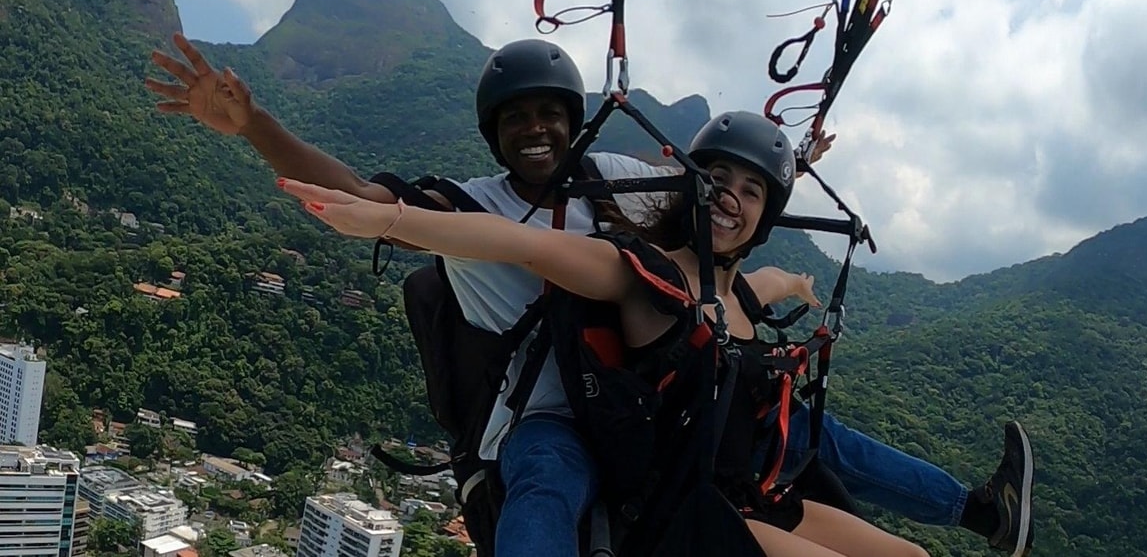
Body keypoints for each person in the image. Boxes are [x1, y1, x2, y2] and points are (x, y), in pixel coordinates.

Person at [145, 32, 1032, 557]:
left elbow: (715, 202)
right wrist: (255, 125)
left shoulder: (613, 180)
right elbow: (367, 197)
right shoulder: (471, 204)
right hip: (549, 411)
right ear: (495, 135)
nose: (537, 129)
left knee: (800, 419)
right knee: (544, 486)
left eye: (550, 115)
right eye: (517, 119)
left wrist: (786, 162)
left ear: (574, 123)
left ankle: (977, 510)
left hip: (656, 393)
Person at [278, 109, 933, 557]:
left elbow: (766, 282)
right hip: (685, 515)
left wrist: (796, 281)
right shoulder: (639, 271)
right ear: (690, 191)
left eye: (751, 191)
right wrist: (391, 221)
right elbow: (516, 243)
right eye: (719, 182)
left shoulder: (736, 295)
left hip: (746, 497)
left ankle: (982, 510)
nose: (731, 196)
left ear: (764, 219)